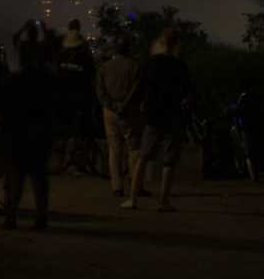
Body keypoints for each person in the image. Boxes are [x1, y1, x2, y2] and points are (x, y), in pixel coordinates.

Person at [125, 27, 195, 211]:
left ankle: (132, 198)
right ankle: (163, 201)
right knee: (169, 161)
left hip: (153, 115)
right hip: (173, 116)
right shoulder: (180, 66)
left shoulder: (150, 64)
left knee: (143, 157)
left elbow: (139, 88)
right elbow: (188, 93)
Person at [0, 22, 56, 230]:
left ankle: (11, 216)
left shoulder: (14, 79)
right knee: (39, 177)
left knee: (15, 176)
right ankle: (41, 217)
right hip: (39, 130)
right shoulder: (47, 78)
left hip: (18, 132)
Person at [97, 32, 142, 199]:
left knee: (114, 149)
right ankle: (135, 185)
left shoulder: (105, 67)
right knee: (133, 149)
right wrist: (125, 105)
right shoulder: (135, 66)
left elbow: (100, 92)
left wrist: (112, 105)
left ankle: (116, 186)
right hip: (129, 112)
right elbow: (137, 89)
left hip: (110, 112)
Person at [52, 19, 99, 176]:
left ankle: (62, 162)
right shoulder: (83, 51)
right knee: (80, 131)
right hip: (80, 97)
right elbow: (92, 73)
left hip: (62, 97)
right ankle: (77, 162)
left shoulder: (60, 52)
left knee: (63, 130)